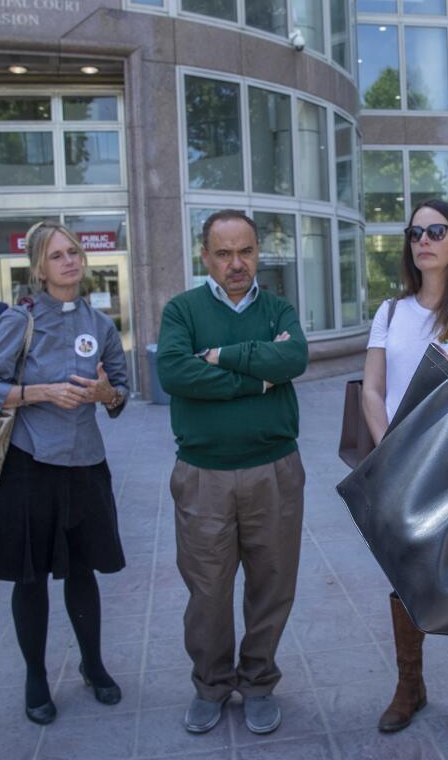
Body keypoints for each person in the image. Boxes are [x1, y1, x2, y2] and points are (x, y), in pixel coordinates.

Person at [0, 221, 129, 725]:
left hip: (85, 466)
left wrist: (106, 395)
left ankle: (93, 664)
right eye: (57, 255)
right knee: (31, 577)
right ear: (39, 268)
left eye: (75, 252)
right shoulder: (21, 321)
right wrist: (43, 393)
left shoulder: (99, 324)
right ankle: (36, 676)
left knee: (83, 572)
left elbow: (120, 394)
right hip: (29, 467)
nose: (69, 261)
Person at [156, 209, 308, 737]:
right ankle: (212, 685)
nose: (236, 263)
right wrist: (256, 378)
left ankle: (259, 681)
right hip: (204, 475)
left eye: (245, 251)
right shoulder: (182, 310)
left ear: (257, 253)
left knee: (272, 585)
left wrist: (223, 357)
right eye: (223, 253)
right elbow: (175, 371)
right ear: (205, 257)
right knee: (208, 591)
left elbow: (294, 360)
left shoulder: (279, 308)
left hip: (276, 471)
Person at [361, 199, 448, 753]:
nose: (423, 240)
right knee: (404, 580)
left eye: (436, 231)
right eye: (414, 233)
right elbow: (372, 389)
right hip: (399, 466)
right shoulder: (391, 311)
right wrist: (390, 450)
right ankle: (409, 687)